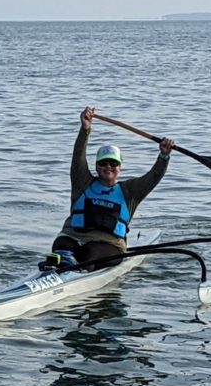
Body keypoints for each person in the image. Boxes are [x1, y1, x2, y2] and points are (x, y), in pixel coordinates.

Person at [45, 106, 174, 270]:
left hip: (108, 244)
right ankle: (62, 265)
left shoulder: (130, 191)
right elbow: (78, 156)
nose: (108, 167)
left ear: (120, 168)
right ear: (97, 166)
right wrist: (85, 129)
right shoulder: (82, 182)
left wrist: (163, 156)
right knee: (61, 244)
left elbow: (153, 177)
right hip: (73, 237)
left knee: (88, 255)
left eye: (113, 163)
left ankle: (75, 269)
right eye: (103, 163)